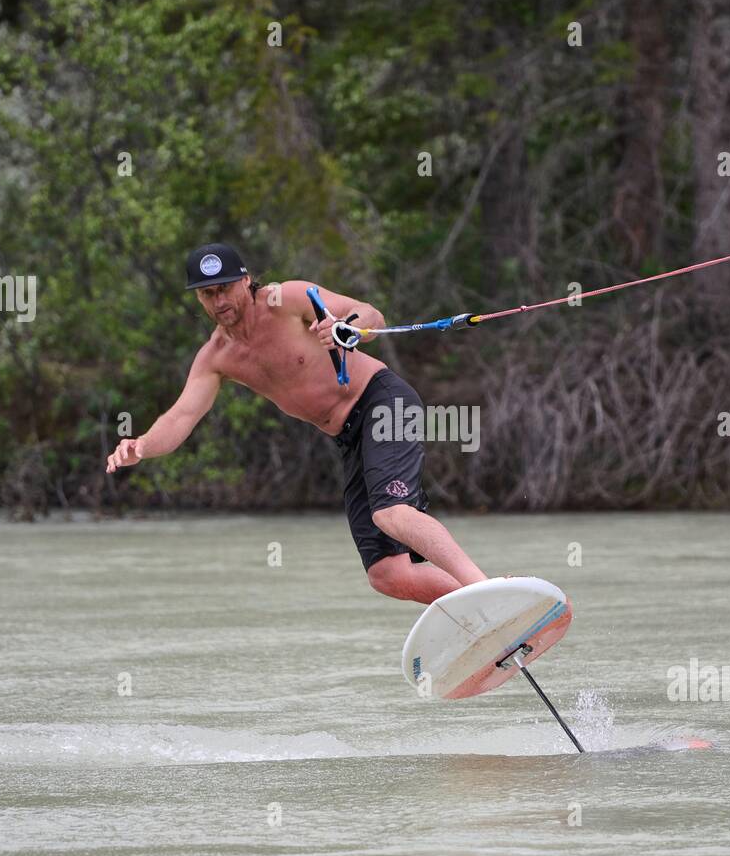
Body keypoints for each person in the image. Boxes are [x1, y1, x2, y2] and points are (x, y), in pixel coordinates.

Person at [105, 242, 486, 605]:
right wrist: (142, 446)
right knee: (387, 574)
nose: (219, 301)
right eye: (208, 294)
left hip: (382, 402)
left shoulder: (287, 299)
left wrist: (347, 327)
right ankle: (481, 609)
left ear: (245, 280)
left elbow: (370, 314)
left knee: (392, 513)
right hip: (348, 437)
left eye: (225, 289)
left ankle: (485, 590)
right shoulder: (217, 356)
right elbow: (180, 416)